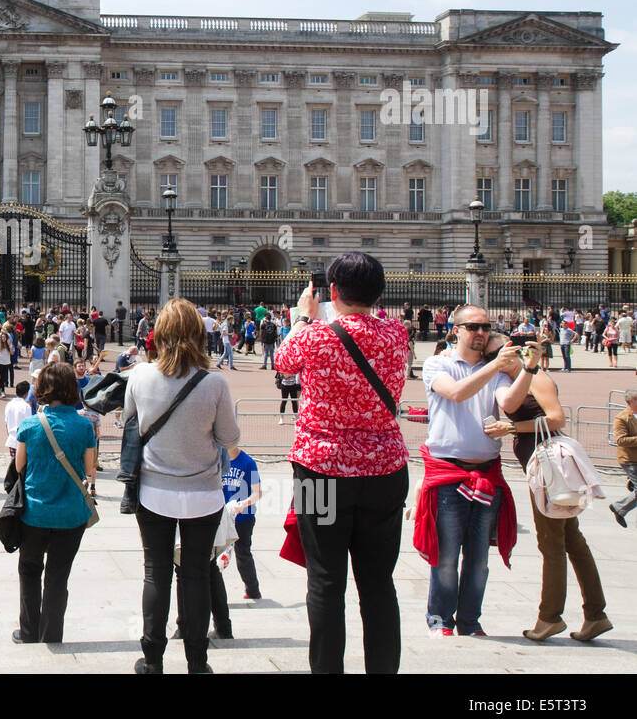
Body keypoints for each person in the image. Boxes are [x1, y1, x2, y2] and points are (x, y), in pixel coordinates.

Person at [274, 251, 409, 674]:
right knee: (377, 584)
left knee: (326, 580)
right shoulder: (397, 335)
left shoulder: (314, 335)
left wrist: (302, 317)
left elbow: (283, 364)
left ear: (332, 291)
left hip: (322, 469)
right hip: (385, 470)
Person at [124, 299, 237, 674]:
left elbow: (130, 423)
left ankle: (152, 658)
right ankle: (197, 661)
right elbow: (228, 438)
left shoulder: (140, 376)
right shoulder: (214, 382)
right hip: (203, 493)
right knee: (196, 574)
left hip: (154, 490)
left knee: (156, 571)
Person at [485, 333, 612, 642]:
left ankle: (549, 617)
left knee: (551, 542)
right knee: (572, 540)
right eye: (492, 356)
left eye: (502, 350)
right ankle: (596, 614)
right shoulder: (510, 379)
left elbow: (556, 418)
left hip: (548, 468)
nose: (498, 358)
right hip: (542, 467)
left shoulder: (536, 377)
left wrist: (512, 427)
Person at [419, 303, 532, 639]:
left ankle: (470, 619)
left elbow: (509, 404)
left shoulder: (496, 372)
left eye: (485, 327)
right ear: (456, 330)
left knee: (479, 560)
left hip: (486, 473)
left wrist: (529, 369)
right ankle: (439, 617)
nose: (481, 333)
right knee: (447, 555)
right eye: (473, 327)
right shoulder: (437, 363)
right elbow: (455, 393)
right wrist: (496, 364)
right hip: (449, 472)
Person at [12, 363, 97, 644]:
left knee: (29, 570)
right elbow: (89, 470)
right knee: (58, 576)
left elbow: (19, 465)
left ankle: (28, 631)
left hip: (35, 511)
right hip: (71, 513)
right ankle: (51, 633)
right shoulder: (84, 424)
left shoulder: (31, 424)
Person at [222, 444, 262, 599]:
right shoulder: (218, 459)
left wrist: (242, 505)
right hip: (222, 516)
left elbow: (257, 493)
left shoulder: (247, 462)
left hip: (243, 518)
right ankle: (212, 591)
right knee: (215, 556)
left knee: (243, 554)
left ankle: (253, 590)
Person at [610, 390, 637, 528]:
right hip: (630, 460)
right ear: (629, 402)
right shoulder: (622, 418)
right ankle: (619, 507)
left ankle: (631, 485)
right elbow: (620, 440)